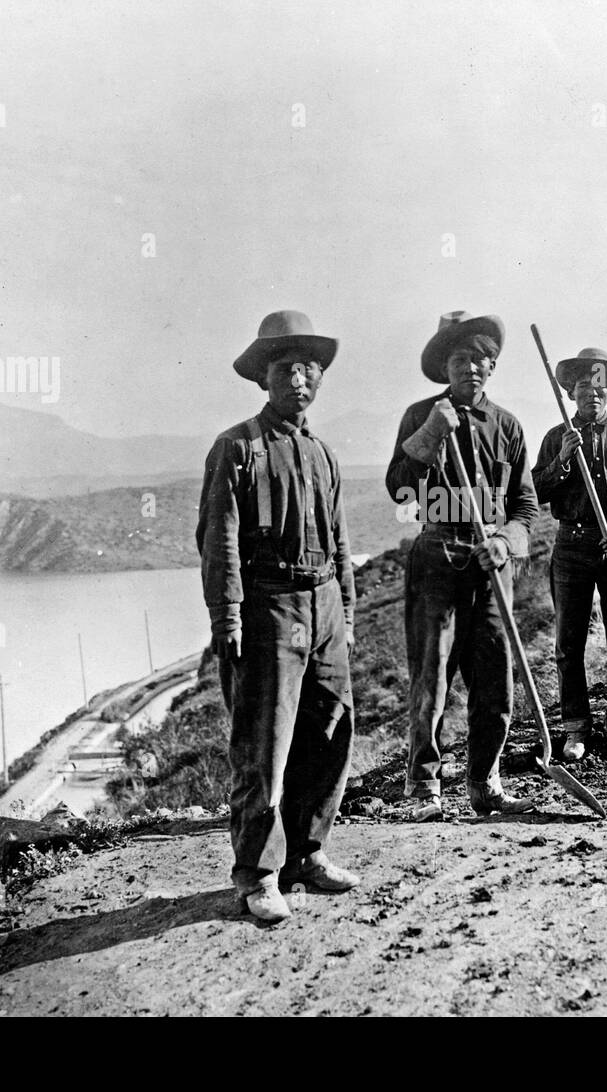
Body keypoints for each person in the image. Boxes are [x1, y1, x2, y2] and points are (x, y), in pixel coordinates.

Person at [196, 309, 358, 924]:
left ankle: (307, 855)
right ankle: (258, 874)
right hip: (269, 609)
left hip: (323, 610)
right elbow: (220, 541)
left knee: (329, 735)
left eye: (310, 368)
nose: (300, 378)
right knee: (264, 747)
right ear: (265, 378)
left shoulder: (323, 453)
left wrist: (344, 609)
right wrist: (227, 618)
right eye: (288, 368)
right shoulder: (237, 448)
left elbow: (341, 542)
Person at [385, 312, 540, 822]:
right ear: (444, 368)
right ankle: (425, 786)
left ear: (492, 366)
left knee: (496, 676)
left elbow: (525, 506)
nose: (471, 368)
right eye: (460, 360)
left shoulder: (509, 426)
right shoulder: (419, 415)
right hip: (438, 558)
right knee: (432, 676)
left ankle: (485, 783)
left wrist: (506, 540)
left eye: (480, 360)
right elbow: (399, 489)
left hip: (492, 564)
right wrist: (431, 434)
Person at [532, 348, 607, 761]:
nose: (592, 393)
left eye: (599, 385)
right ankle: (575, 729)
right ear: (571, 393)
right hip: (571, 546)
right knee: (569, 642)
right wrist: (564, 460)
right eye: (583, 385)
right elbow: (537, 492)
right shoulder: (556, 438)